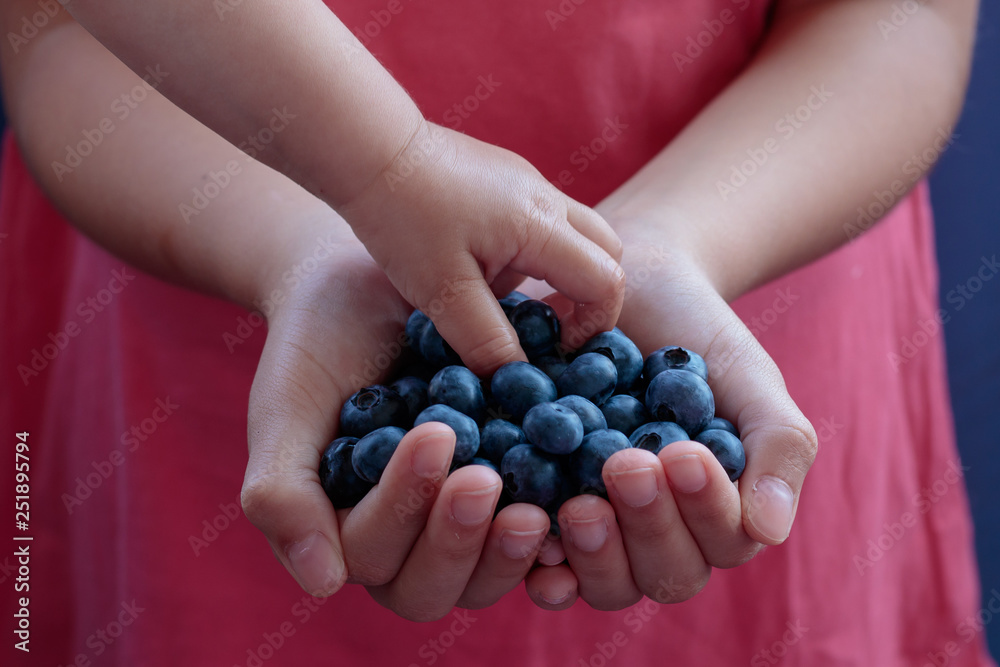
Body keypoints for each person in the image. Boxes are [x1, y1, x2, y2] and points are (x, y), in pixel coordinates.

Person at [0, 0, 991, 664]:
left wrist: (667, 246)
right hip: (213, 345)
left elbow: (896, 13)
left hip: (762, 258)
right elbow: (48, 23)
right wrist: (323, 234)